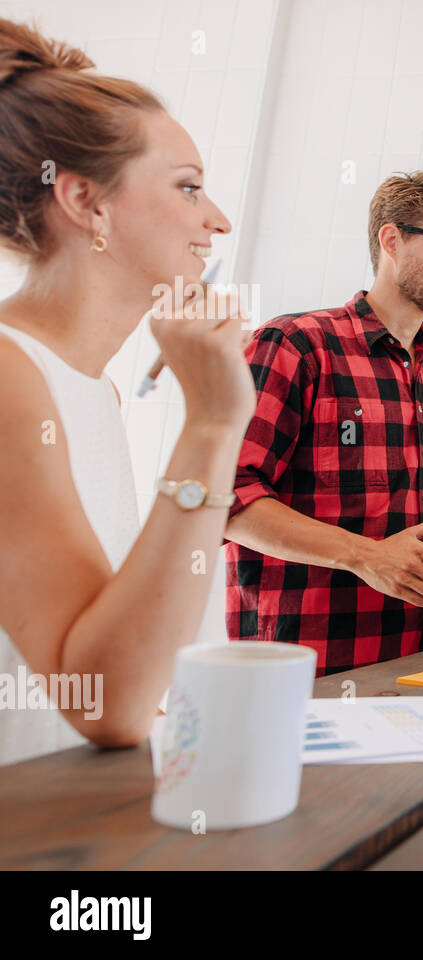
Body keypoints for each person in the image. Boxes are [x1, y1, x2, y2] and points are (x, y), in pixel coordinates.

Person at [0, 19, 252, 765]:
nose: (218, 220)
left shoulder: (92, 391)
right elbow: (105, 704)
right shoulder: (11, 377)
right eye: (187, 188)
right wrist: (210, 423)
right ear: (86, 201)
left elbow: (118, 661)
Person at [223, 172, 423, 675]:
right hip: (300, 669)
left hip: (416, 662)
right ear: (392, 240)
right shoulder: (295, 344)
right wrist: (365, 556)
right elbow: (226, 498)